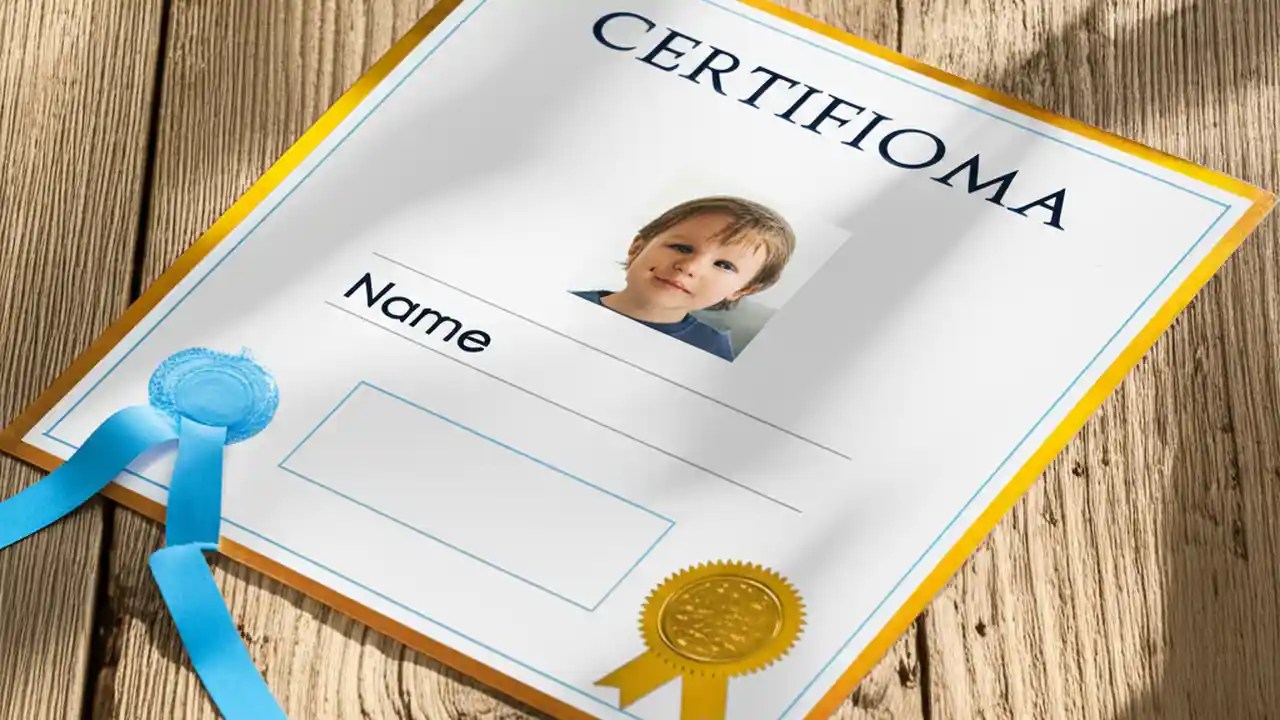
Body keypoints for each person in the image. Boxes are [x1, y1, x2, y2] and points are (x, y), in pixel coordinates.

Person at [573, 196, 795, 360]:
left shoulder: (711, 349)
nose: (689, 267)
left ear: (741, 290)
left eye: (723, 265)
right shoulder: (570, 305)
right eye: (682, 247)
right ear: (637, 248)